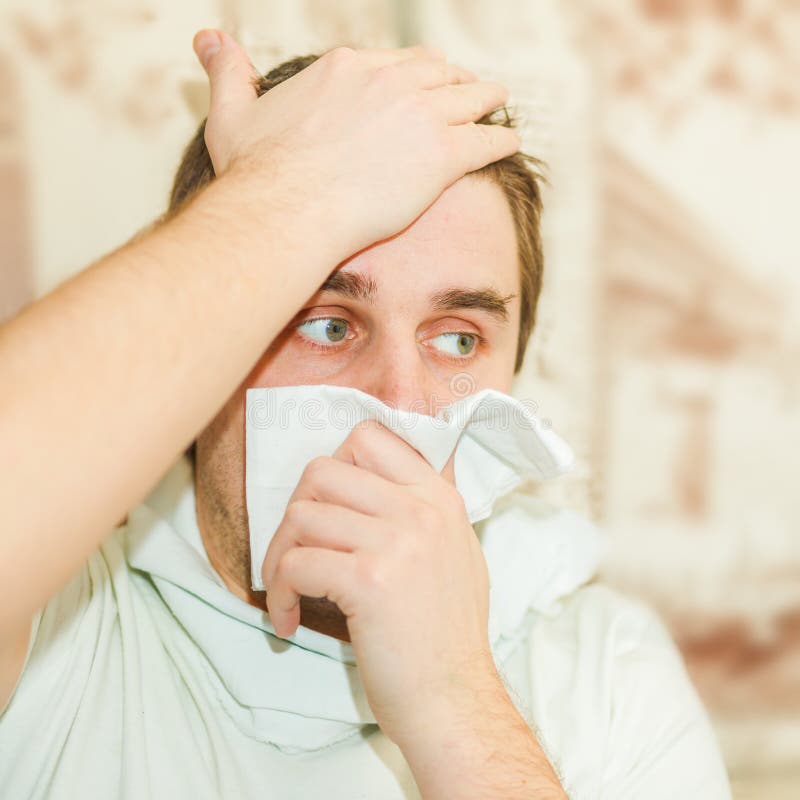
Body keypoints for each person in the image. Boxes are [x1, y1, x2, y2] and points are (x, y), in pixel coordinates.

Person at [0, 29, 731, 799]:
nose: (400, 403)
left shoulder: (605, 674)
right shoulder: (61, 628)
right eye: (326, 323)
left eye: (457, 339)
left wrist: (455, 701)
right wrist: (283, 196)